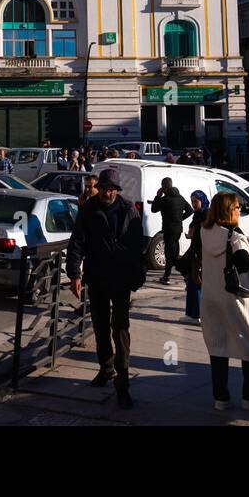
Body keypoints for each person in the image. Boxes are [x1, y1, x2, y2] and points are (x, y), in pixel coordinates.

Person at [66, 171, 145, 409]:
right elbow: (77, 242)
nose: (107, 193)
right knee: (100, 327)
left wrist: (137, 275)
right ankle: (106, 369)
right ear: (98, 188)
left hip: (120, 278)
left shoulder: (129, 210)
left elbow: (137, 247)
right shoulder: (89, 209)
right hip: (97, 276)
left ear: (117, 190)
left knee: (120, 329)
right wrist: (74, 274)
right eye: (104, 189)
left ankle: (123, 384)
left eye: (112, 189)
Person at [199, 191, 249, 410]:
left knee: (218, 345)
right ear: (228, 210)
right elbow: (243, 265)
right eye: (237, 207)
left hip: (211, 297)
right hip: (235, 298)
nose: (239, 210)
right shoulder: (234, 235)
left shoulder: (206, 231)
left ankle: (220, 398)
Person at [150, 177, 192, 283]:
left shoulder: (165, 200)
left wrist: (157, 196)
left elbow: (153, 209)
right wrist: (180, 218)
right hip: (178, 229)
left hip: (168, 230)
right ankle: (167, 276)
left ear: (164, 187)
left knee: (170, 254)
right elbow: (190, 210)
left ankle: (184, 273)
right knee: (171, 252)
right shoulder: (180, 198)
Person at [181, 190, 209, 322]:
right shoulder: (197, 215)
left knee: (197, 281)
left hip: (201, 253)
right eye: (192, 201)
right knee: (192, 281)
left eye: (195, 201)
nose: (193, 204)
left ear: (202, 201)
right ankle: (191, 313)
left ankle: (197, 314)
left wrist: (195, 232)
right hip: (195, 251)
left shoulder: (206, 215)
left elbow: (205, 233)